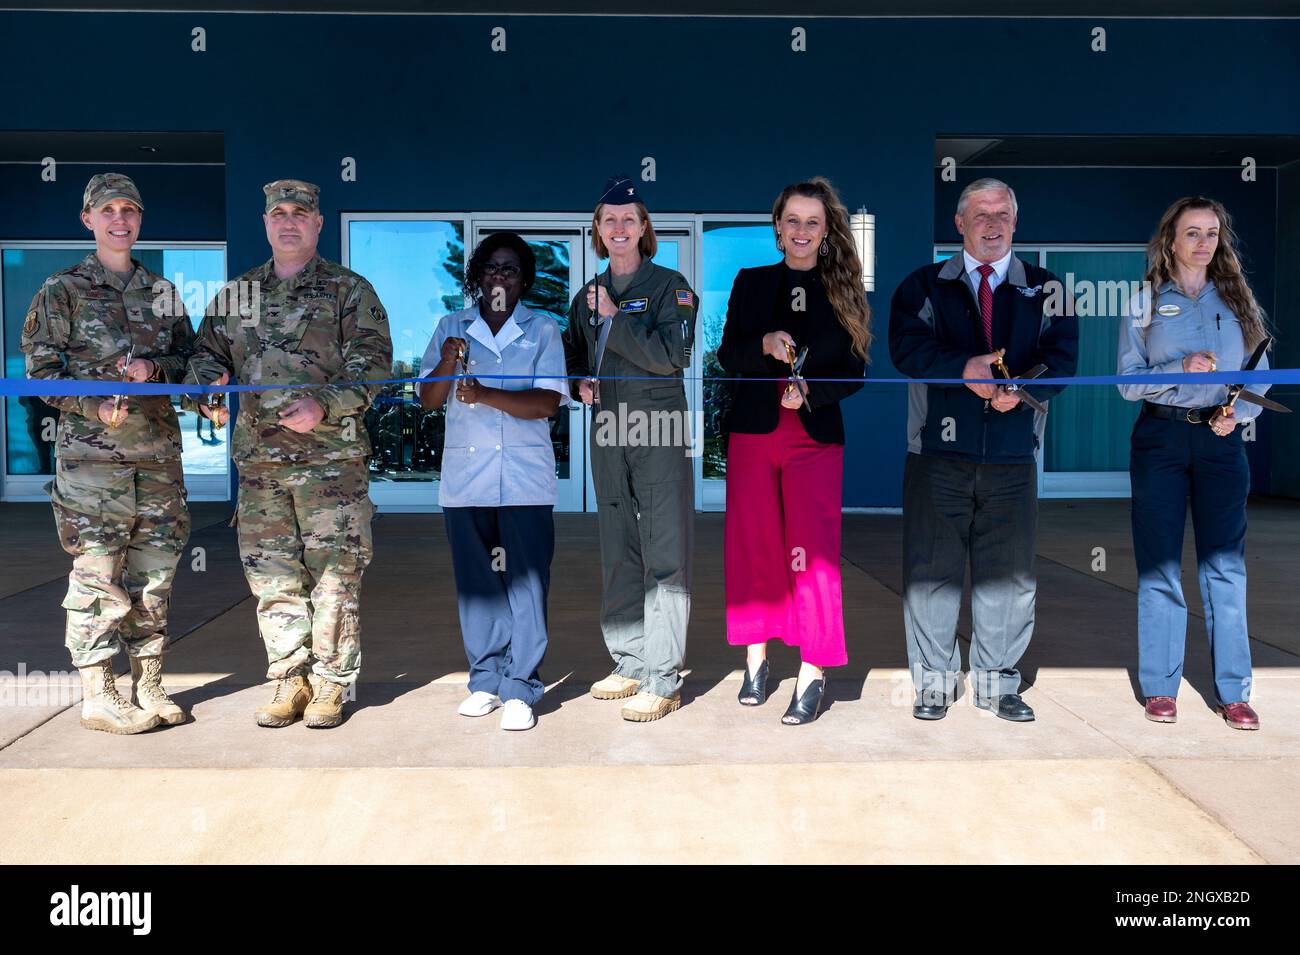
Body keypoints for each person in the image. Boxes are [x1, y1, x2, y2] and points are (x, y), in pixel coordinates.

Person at [185, 179, 392, 729]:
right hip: (259, 466)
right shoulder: (237, 294)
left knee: (335, 574)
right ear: (266, 223)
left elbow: (374, 368)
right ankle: (288, 678)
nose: (290, 221)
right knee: (271, 574)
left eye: (301, 213)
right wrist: (209, 392)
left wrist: (325, 406)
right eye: (279, 213)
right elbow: (203, 358)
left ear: (318, 223)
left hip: (332, 466)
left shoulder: (350, 290)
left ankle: (331, 683)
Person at [889, 178, 1078, 722]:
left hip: (1014, 457)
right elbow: (906, 349)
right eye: (980, 214)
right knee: (931, 572)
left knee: (1010, 576)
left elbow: (1062, 359)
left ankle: (998, 685)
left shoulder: (1049, 289)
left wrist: (1022, 393)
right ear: (960, 224)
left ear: (1015, 223)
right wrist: (962, 368)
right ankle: (933, 684)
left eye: (1002, 214)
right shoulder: (922, 286)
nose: (992, 223)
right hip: (935, 455)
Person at [21, 173, 195, 734]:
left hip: (159, 459)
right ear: (88, 220)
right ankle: (98, 691)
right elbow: (40, 375)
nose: (120, 219)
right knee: (97, 573)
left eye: (130, 210)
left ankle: (147, 681)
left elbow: (192, 364)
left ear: (139, 220)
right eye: (109, 210)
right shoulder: (60, 289)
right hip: (93, 463)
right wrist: (94, 405)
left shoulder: (163, 291)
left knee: (155, 573)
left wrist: (157, 369)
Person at [717, 177, 870, 725]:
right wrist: (761, 346)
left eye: (813, 222)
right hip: (754, 434)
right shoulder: (751, 282)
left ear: (826, 232)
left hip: (814, 439)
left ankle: (813, 669)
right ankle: (754, 659)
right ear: (777, 228)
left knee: (814, 556)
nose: (802, 231)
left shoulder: (844, 291)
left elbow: (855, 371)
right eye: (793, 221)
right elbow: (726, 353)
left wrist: (810, 389)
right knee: (753, 547)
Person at [1117, 196, 1272, 730]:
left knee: (1225, 566)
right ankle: (1161, 688)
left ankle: (1235, 692)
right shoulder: (1142, 301)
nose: (1203, 243)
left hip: (1221, 443)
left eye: (1212, 233)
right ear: (1171, 241)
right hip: (1160, 438)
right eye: (1192, 233)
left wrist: (1240, 413)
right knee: (1160, 564)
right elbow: (1128, 383)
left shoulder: (1238, 302)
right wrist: (1178, 366)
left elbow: (1259, 373)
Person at [418, 233, 568, 731]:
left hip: (525, 480)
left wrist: (484, 394)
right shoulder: (450, 327)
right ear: (476, 276)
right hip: (467, 480)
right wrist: (446, 358)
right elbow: (429, 400)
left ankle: (521, 687)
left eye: (509, 270)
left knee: (526, 583)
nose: (499, 278)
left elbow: (546, 404)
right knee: (479, 586)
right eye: (490, 268)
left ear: (524, 279)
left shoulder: (543, 330)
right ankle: (485, 680)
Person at [562, 175, 698, 722]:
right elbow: (573, 353)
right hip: (608, 432)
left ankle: (664, 677)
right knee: (618, 544)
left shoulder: (670, 286)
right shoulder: (586, 298)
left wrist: (617, 320)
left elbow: (673, 357)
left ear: (644, 228)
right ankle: (631, 659)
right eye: (608, 220)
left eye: (629, 219)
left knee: (663, 548)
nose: (619, 228)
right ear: (598, 230)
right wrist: (577, 382)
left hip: (657, 429)